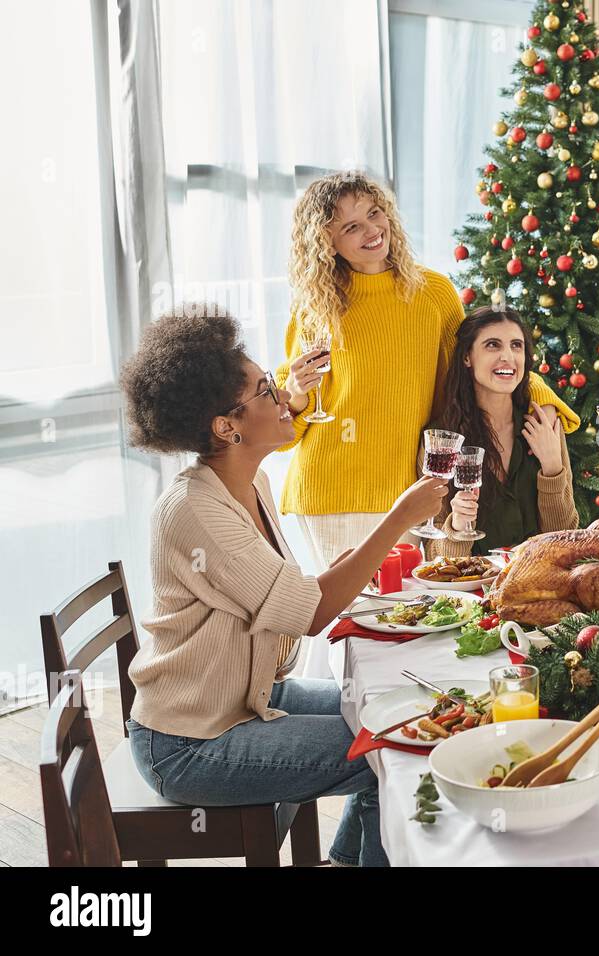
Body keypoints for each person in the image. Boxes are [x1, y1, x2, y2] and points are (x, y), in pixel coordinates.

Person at [119, 306, 449, 866]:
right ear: (228, 426)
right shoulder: (197, 510)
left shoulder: (252, 483)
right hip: (193, 742)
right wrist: (397, 518)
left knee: (404, 707)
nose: (283, 394)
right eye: (267, 390)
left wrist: (351, 565)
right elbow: (311, 612)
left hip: (249, 700)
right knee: (393, 747)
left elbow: (284, 593)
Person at [276, 170, 577, 570]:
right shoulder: (315, 308)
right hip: (334, 490)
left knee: (412, 618)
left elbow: (476, 363)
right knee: (354, 620)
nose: (372, 230)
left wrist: (539, 399)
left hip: (412, 492)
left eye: (375, 213)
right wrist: (295, 393)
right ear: (326, 243)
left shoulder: (433, 293)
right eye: (351, 226)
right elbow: (287, 427)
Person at [424, 307, 579, 555]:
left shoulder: (543, 425)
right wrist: (457, 526)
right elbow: (434, 553)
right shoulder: (441, 439)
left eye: (516, 346)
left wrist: (552, 467)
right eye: (493, 345)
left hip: (537, 582)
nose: (508, 356)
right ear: (467, 357)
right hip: (471, 589)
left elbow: (564, 534)